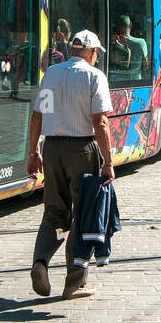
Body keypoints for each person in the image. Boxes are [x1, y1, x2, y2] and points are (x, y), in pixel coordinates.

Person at [26, 30, 115, 300]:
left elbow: (37, 116)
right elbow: (100, 122)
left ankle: (41, 261)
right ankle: (74, 283)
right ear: (89, 52)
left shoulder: (51, 74)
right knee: (83, 215)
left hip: (52, 149)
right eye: (96, 52)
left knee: (54, 210)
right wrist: (108, 162)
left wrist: (33, 152)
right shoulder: (93, 76)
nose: (97, 56)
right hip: (82, 150)